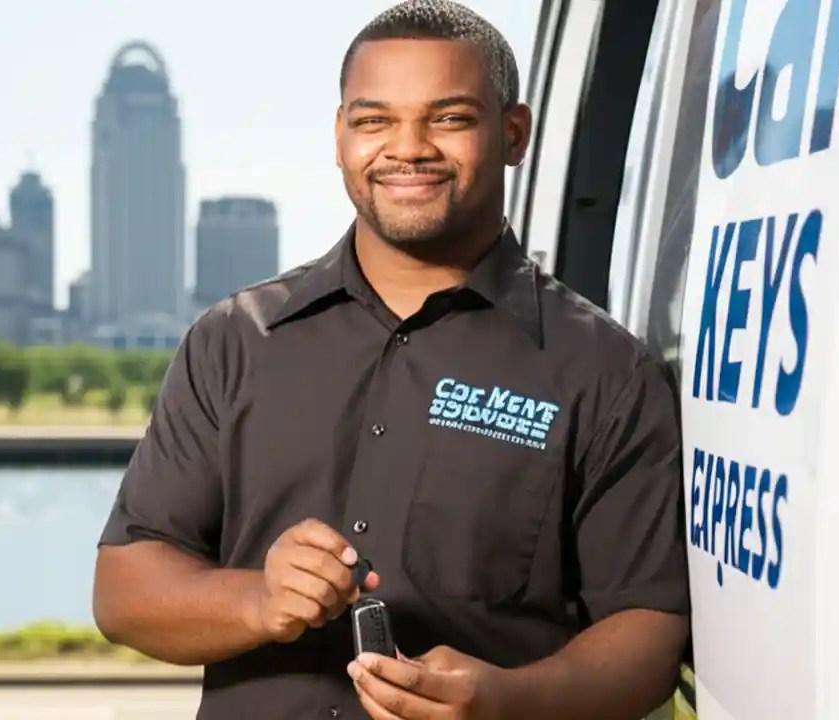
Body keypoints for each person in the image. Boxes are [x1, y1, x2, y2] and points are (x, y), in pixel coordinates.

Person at [92, 1, 691, 717]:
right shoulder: (235, 341)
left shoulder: (605, 372)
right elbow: (124, 591)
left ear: (513, 133)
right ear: (341, 136)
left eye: (449, 118)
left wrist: (506, 701)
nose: (407, 148)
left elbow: (649, 635)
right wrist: (258, 599)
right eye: (375, 120)